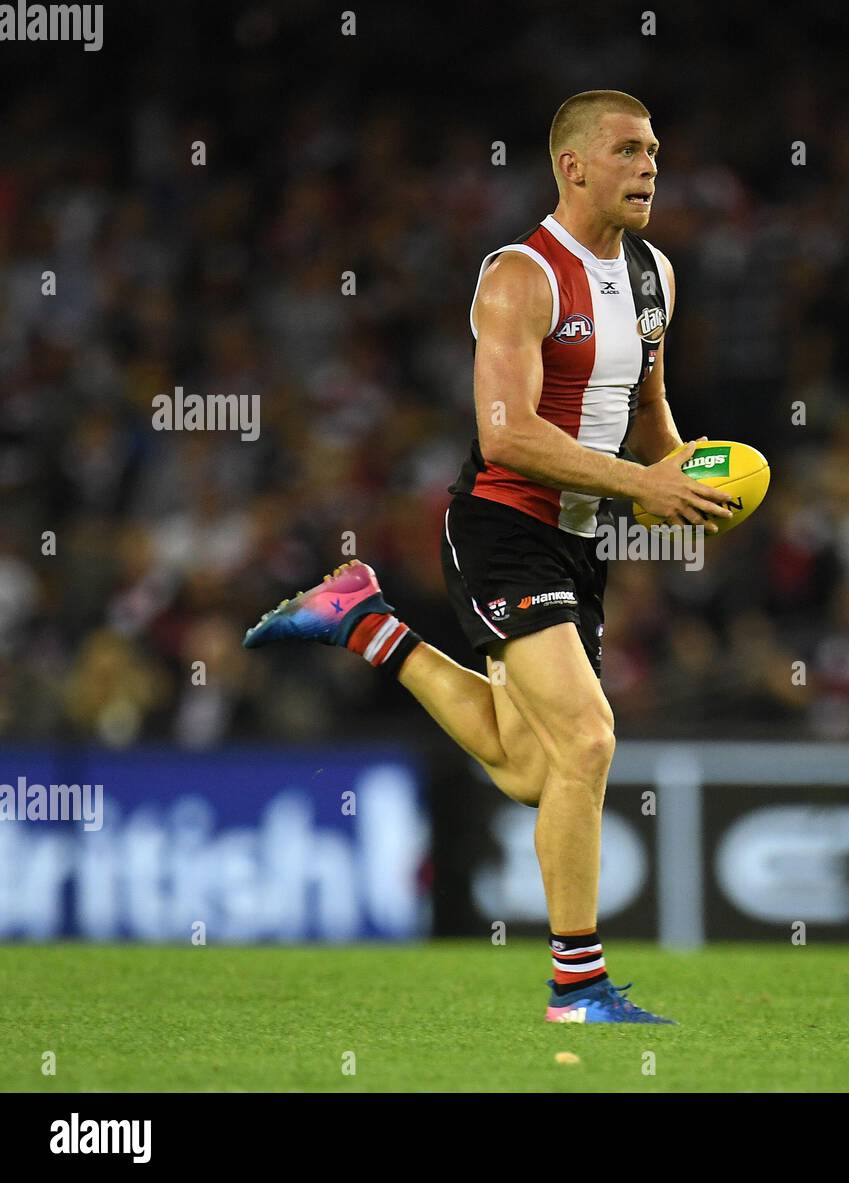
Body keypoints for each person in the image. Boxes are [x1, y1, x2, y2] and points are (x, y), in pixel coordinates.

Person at [243, 90, 733, 1023]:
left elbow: (650, 407)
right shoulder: (521, 275)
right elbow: (506, 436)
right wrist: (641, 486)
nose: (651, 168)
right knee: (587, 741)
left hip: (583, 541)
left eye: (657, 151)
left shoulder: (655, 273)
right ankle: (577, 988)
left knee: (528, 768)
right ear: (574, 166)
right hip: (505, 528)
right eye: (629, 151)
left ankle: (366, 622)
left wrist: (684, 478)